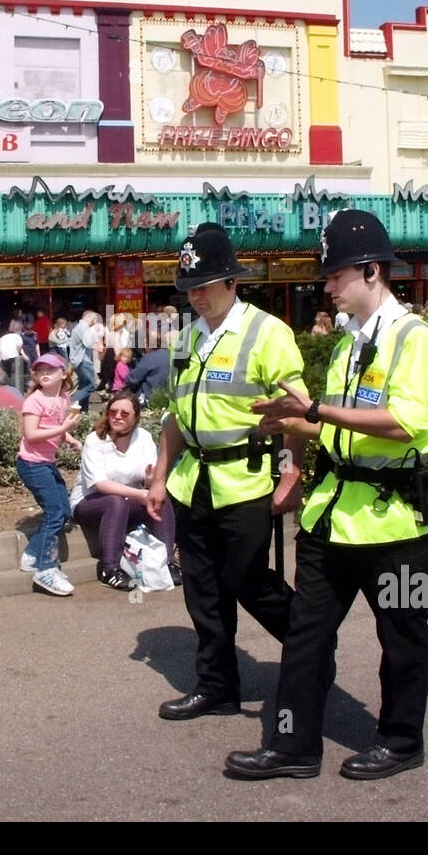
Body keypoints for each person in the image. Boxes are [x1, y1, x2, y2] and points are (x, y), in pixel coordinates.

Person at [225, 209, 428, 782]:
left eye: (334, 275)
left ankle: (401, 740)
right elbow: (338, 427)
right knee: (305, 634)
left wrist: (315, 411)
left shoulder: (415, 339)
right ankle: (294, 745)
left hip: (396, 524)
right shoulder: (350, 343)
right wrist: (291, 425)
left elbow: (403, 422)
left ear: (370, 271)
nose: (324, 286)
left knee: (402, 638)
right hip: (332, 518)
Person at [144, 222, 306, 722]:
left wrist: (292, 476)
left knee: (249, 580)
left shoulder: (267, 333)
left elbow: (299, 411)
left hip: (247, 480)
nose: (196, 296)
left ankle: (311, 648)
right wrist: (159, 476)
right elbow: (176, 413)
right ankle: (216, 687)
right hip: (195, 482)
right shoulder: (185, 339)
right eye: (190, 287)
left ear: (233, 282)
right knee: (203, 590)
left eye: (206, 285)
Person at [70, 390, 176, 590]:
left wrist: (151, 481)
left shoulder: (143, 437)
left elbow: (149, 476)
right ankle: (109, 568)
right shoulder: (95, 440)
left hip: (129, 503)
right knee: (115, 502)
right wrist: (139, 494)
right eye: (113, 412)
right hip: (90, 502)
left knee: (160, 498)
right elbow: (99, 484)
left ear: (135, 417)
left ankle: (166, 562)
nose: (117, 417)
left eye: (124, 414)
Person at [16, 353, 83, 596]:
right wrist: (65, 428)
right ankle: (45, 569)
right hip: (32, 464)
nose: (44, 373)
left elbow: (54, 428)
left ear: (63, 374)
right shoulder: (35, 401)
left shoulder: (63, 398)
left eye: (50, 370)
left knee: (63, 510)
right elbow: (32, 435)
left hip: (46, 462)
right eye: (40, 370)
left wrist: (70, 438)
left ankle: (32, 555)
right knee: (55, 512)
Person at [124, 324, 172, 405]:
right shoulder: (170, 354)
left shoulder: (149, 358)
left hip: (149, 399)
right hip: (168, 398)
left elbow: (132, 379)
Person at [67, 310, 101, 410]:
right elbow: (88, 343)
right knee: (91, 385)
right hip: (83, 360)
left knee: (84, 386)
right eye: (95, 320)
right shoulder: (84, 328)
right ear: (91, 319)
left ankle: (83, 410)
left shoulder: (79, 327)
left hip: (78, 360)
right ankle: (72, 402)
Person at [0, 324, 29, 393]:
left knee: (6, 373)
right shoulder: (17, 336)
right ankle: (14, 389)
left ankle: (6, 388)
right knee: (14, 373)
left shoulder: (1, 338)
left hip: (3, 357)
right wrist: (18, 353)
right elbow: (20, 345)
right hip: (14, 356)